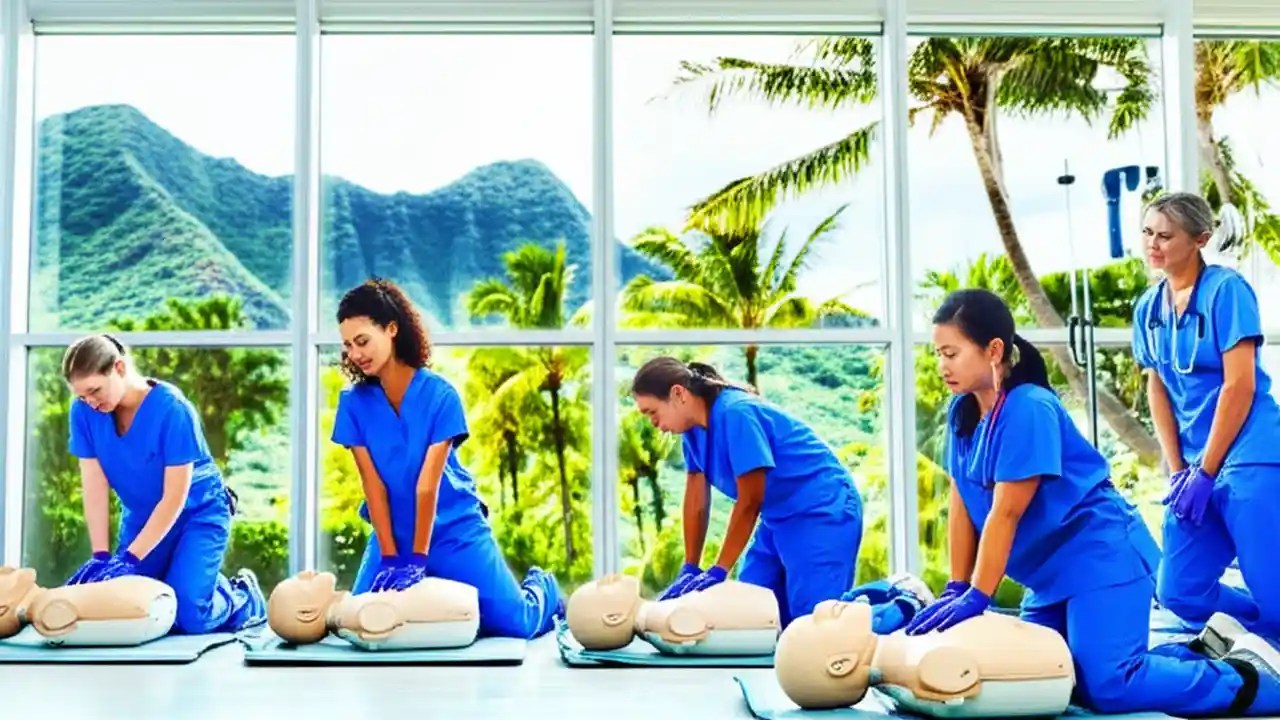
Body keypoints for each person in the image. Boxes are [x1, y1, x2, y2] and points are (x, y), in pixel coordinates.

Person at [908, 287, 1280, 716]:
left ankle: (1254, 682)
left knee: (1111, 685)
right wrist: (956, 584)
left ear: (993, 350)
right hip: (1048, 580)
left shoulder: (1029, 408)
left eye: (950, 353)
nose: (942, 366)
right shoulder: (963, 414)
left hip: (1100, 557)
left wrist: (978, 595)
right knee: (1048, 679)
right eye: (938, 354)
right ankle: (1210, 648)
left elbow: (1005, 513)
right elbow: (963, 501)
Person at [331, 278, 562, 640]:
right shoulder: (353, 404)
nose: (356, 354)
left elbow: (428, 485)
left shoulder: (441, 396)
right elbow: (372, 485)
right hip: (391, 533)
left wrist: (418, 560)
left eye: (363, 341)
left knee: (517, 624)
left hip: (454, 529)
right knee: (361, 625)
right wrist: (392, 557)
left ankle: (544, 587)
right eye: (347, 345)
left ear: (392, 330)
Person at [1133, 192, 1280, 642]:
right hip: (1196, 464)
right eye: (1148, 232)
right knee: (1178, 591)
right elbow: (1156, 385)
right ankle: (1261, 633)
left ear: (1200, 238)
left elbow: (1240, 385)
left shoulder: (1226, 290)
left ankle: (1271, 630)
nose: (1153, 244)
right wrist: (1179, 469)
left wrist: (1209, 469)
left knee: (1273, 587)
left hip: (1250, 454)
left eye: (1165, 235)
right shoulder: (1148, 309)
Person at [630, 357, 862, 627]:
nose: (653, 423)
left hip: (822, 509)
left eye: (652, 412)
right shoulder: (691, 433)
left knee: (816, 624)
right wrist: (691, 566)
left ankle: (898, 602)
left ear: (677, 393)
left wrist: (719, 569)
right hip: (778, 517)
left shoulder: (737, 414)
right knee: (754, 616)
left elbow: (750, 500)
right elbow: (696, 502)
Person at [62, 334, 266, 634]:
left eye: (95, 390)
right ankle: (193, 581)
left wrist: (131, 557)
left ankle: (241, 597)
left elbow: (174, 497)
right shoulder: (84, 413)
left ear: (118, 368)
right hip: (142, 520)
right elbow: (94, 488)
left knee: (190, 616)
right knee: (128, 608)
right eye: (82, 396)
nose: (90, 402)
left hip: (198, 514)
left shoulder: (172, 409)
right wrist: (101, 556)